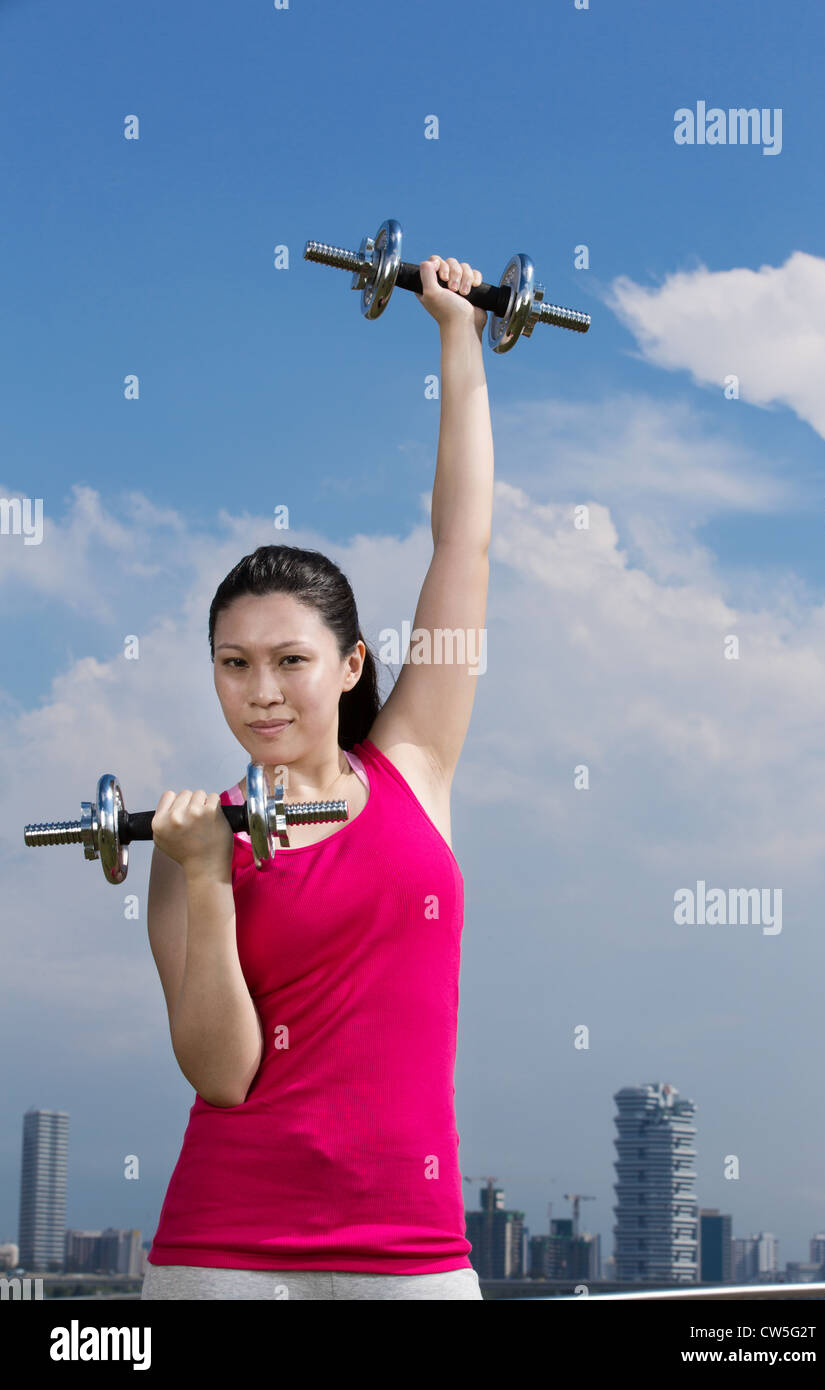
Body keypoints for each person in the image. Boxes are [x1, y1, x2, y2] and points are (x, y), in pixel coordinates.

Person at [141, 254, 493, 1300]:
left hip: (412, 1249)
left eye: (290, 661)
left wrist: (457, 336)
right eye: (233, 663)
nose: (261, 691)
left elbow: (461, 541)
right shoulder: (188, 842)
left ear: (347, 666)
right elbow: (222, 1074)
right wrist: (204, 877)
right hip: (223, 1246)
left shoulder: (413, 765)